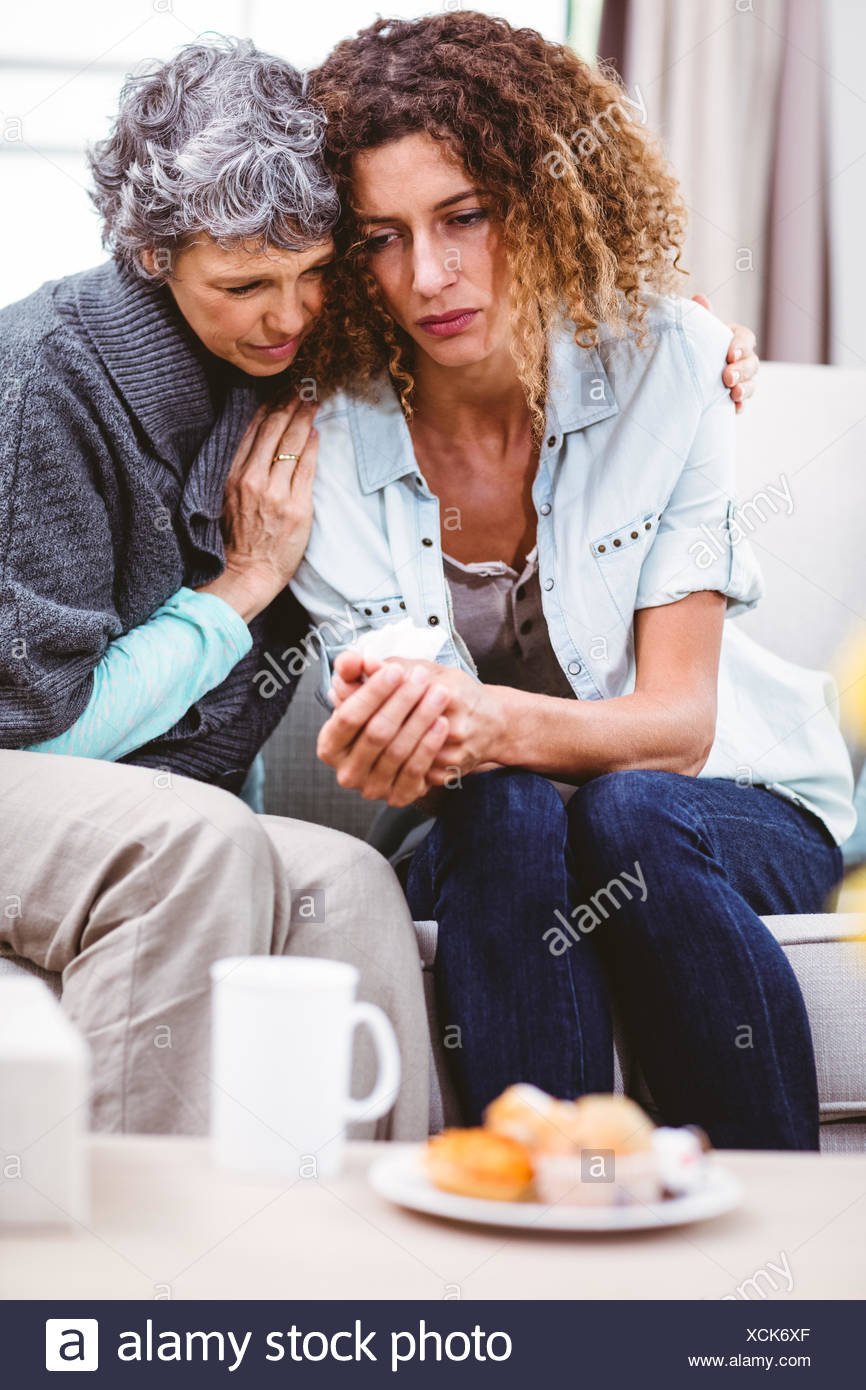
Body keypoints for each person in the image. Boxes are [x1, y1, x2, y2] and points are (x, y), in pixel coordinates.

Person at [297, 12, 856, 1149]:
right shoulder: (324, 440)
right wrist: (419, 738)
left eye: (465, 215)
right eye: (381, 237)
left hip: (725, 808)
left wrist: (479, 720)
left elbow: (679, 727)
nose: (428, 274)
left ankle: (776, 1254)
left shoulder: (669, 366)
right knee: (501, 802)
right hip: (490, 840)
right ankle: (542, 1226)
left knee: (629, 807)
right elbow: (418, 755)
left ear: (546, 197)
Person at [0, 38, 428, 1138]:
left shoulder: (305, 359)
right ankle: (123, 1276)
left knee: (349, 885)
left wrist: (682, 334)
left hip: (164, 808)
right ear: (150, 256)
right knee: (199, 841)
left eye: (313, 272)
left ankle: (355, 1269)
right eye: (242, 285)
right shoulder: (45, 380)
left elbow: (523, 336)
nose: (287, 317)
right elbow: (34, 738)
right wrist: (239, 589)